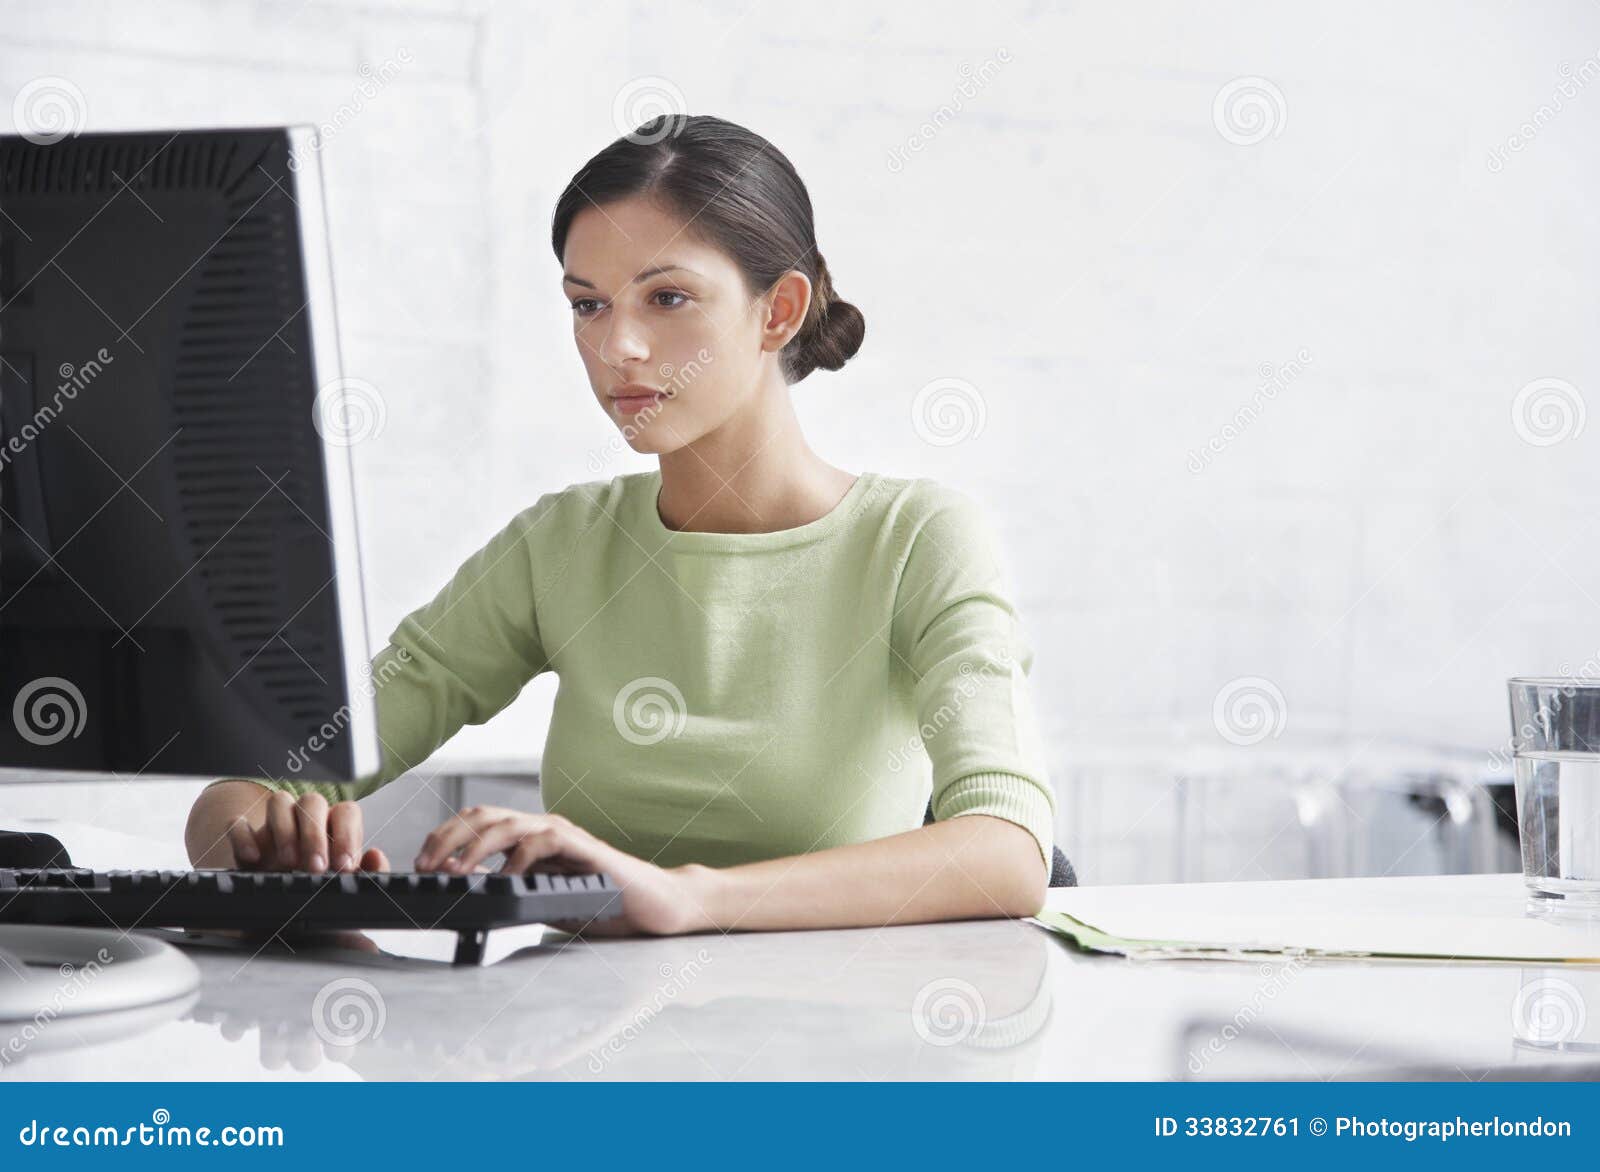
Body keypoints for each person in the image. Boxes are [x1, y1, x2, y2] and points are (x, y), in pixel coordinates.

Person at [184, 113, 1056, 937]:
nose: (617, 348)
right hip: (594, 1046)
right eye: (588, 304)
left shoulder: (916, 540)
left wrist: (683, 898)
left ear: (779, 311)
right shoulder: (562, 545)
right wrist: (262, 847)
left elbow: (1009, 855)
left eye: (667, 298)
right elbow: (254, 785)